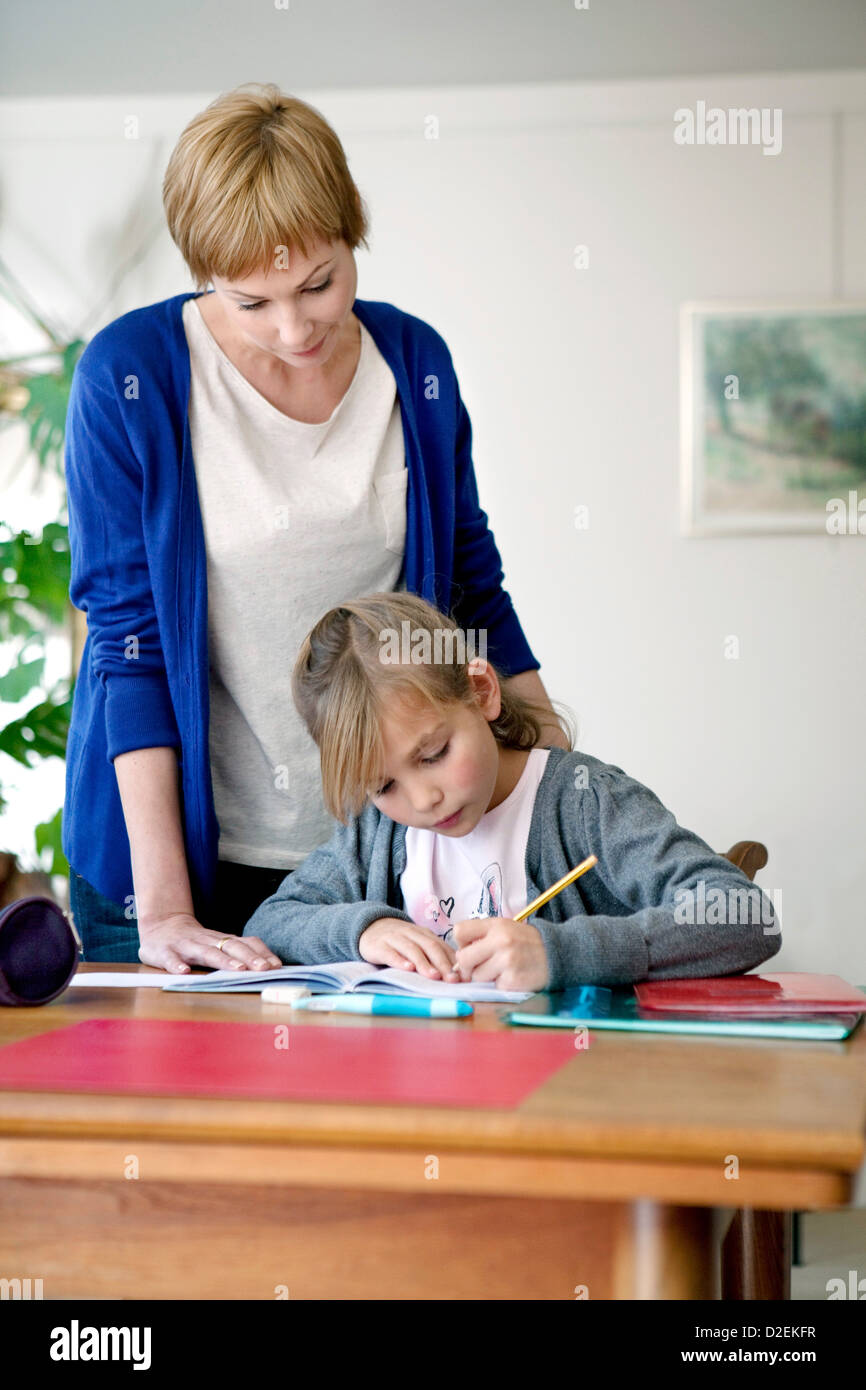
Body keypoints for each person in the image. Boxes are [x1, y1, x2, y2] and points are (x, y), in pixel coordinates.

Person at [61, 83, 566, 972]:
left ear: (351, 231)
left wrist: (566, 788)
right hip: (170, 866)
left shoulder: (414, 364)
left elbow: (472, 592)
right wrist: (166, 911)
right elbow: (128, 646)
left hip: (382, 856)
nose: (294, 328)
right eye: (251, 302)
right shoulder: (129, 376)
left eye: (319, 285)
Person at [243, 592, 782, 991]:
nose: (422, 801)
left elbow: (742, 915)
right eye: (383, 784)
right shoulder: (379, 832)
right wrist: (364, 930)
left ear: (481, 692)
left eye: (433, 755)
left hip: (573, 1085)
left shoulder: (584, 801)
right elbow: (272, 919)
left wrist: (562, 953)